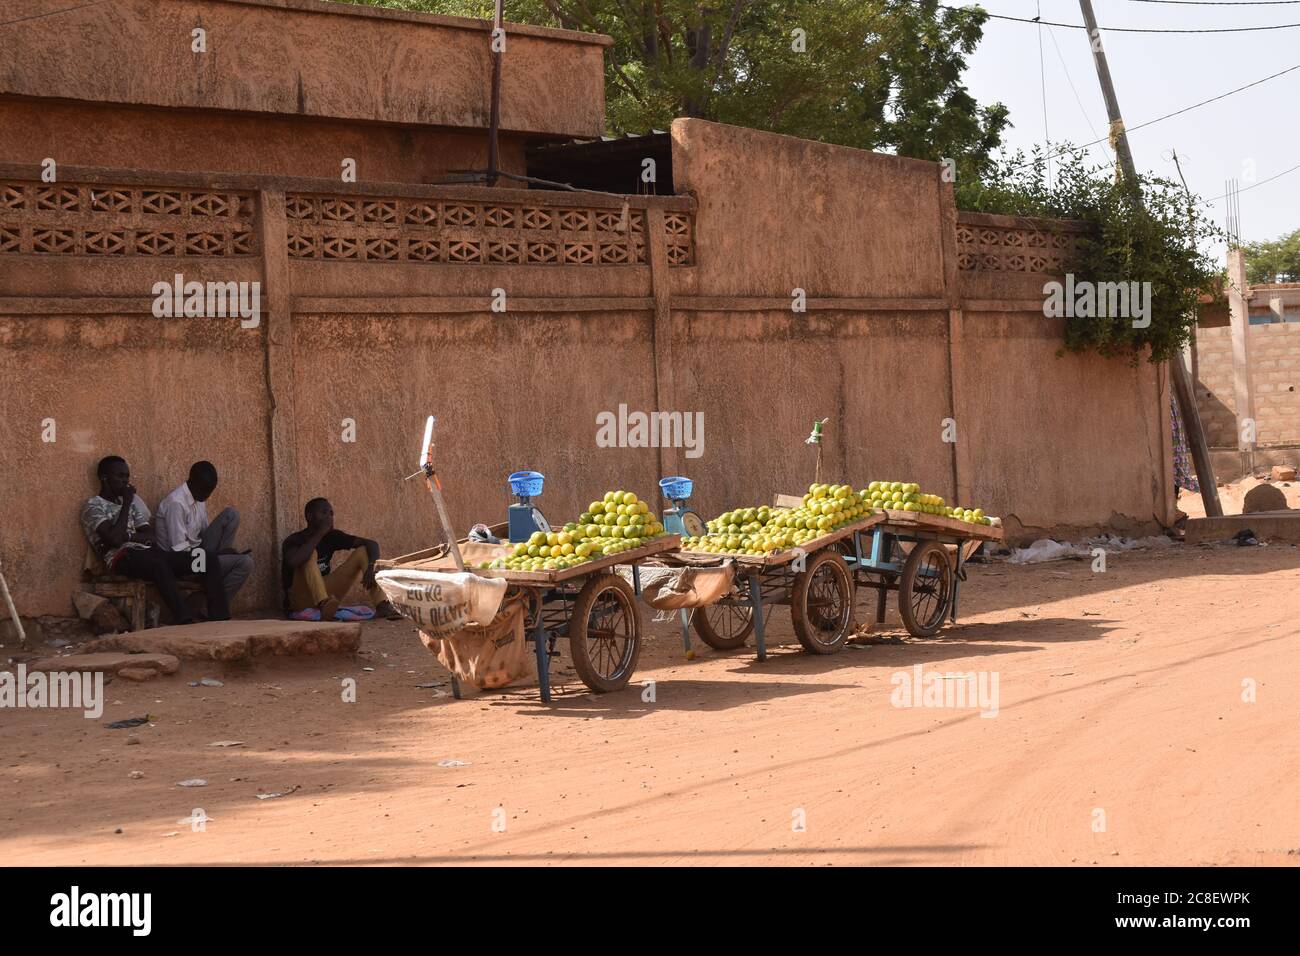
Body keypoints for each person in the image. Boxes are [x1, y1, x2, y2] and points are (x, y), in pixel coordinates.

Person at [80, 455, 228, 625]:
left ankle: (220, 618)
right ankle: (184, 617)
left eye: (127, 476)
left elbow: (151, 536)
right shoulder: (92, 506)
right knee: (157, 562)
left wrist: (127, 536)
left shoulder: (132, 503)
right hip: (122, 558)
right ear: (104, 479)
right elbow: (114, 539)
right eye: (119, 476)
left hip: (150, 553)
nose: (125, 481)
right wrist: (127, 504)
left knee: (206, 558)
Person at [281, 498, 402, 620]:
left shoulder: (332, 536)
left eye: (331, 513)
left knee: (363, 551)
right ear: (309, 517)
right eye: (324, 512)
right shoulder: (294, 540)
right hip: (299, 600)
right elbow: (293, 561)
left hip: (326, 594)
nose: (329, 517)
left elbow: (371, 544)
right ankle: (324, 604)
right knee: (309, 553)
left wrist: (371, 566)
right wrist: (320, 533)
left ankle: (382, 605)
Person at [155, 460, 253, 606]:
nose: (208, 495)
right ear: (192, 482)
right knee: (245, 563)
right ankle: (212, 607)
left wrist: (221, 552)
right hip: (182, 563)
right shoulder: (176, 504)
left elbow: (204, 534)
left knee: (231, 515)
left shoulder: (198, 496)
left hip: (198, 553)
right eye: (205, 491)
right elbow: (180, 553)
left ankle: (213, 573)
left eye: (210, 491)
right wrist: (215, 557)